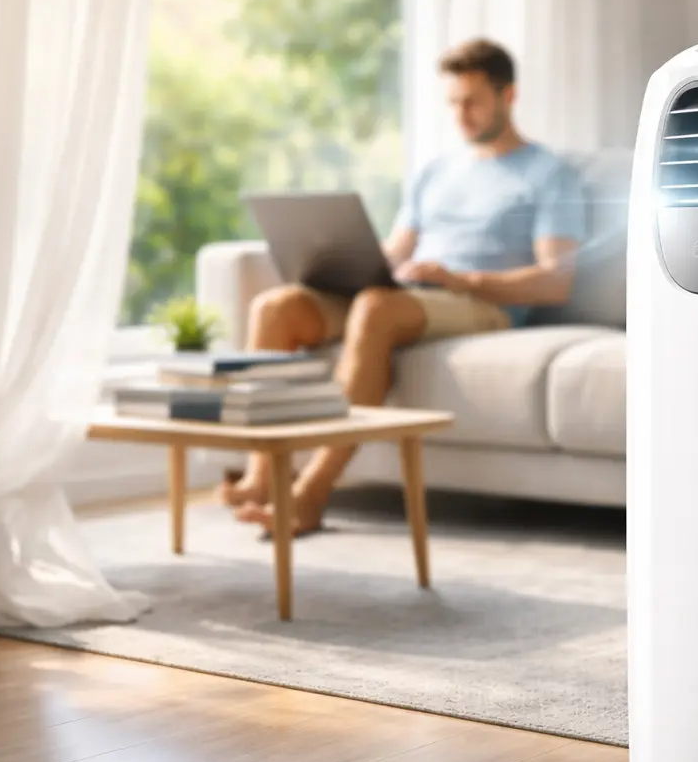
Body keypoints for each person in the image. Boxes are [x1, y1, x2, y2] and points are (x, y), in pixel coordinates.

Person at [220, 38, 589, 535]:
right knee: (277, 307)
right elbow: (397, 252)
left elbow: (554, 281)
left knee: (377, 308)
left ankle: (312, 492)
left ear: (509, 96)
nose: (461, 115)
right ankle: (262, 476)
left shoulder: (549, 174)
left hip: (480, 300)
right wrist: (335, 263)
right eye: (453, 102)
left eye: (473, 101)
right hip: (409, 292)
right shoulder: (435, 172)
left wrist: (459, 278)